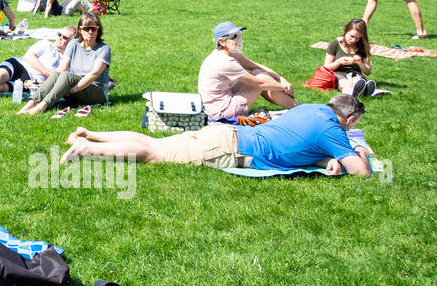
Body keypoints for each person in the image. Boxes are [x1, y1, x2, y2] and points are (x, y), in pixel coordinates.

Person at [61, 94, 372, 177]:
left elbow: (298, 144)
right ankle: (87, 149)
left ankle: (91, 133)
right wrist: (356, 154)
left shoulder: (313, 109)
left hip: (224, 132)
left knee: (152, 143)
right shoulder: (333, 129)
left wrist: (325, 158)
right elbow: (361, 173)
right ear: (351, 119)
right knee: (153, 154)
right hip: (228, 147)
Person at [197, 22, 298, 122]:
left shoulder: (228, 54)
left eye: (239, 36)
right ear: (222, 42)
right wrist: (285, 87)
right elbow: (261, 84)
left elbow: (257, 66)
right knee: (262, 78)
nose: (239, 40)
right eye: (234, 37)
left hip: (222, 101)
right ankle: (298, 108)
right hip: (220, 113)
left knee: (258, 72)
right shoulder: (225, 62)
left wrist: (281, 78)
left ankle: (296, 108)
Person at [17, 13, 111, 115]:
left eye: (94, 28)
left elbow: (94, 74)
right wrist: (53, 84)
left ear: (98, 30)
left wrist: (71, 91)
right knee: (56, 74)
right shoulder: (74, 44)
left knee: (67, 76)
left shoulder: (104, 49)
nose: (90, 32)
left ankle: (41, 107)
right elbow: (62, 68)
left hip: (97, 91)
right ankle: (30, 104)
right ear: (80, 30)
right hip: (75, 85)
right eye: (86, 29)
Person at [0, 25, 77, 100]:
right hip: (20, 65)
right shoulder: (46, 44)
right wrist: (47, 74)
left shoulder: (66, 60)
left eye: (65, 37)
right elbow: (28, 56)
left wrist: (42, 81)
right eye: (59, 34)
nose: (60, 38)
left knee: (1, 88)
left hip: (29, 81)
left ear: (71, 42)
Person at [311, 18, 376, 99]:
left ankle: (361, 90)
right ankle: (356, 94)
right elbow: (326, 67)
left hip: (355, 75)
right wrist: (338, 62)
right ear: (346, 31)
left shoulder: (363, 47)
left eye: (357, 38)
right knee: (346, 84)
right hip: (338, 74)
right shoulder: (336, 43)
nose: (353, 40)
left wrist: (360, 63)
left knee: (357, 81)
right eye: (351, 36)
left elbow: (368, 71)